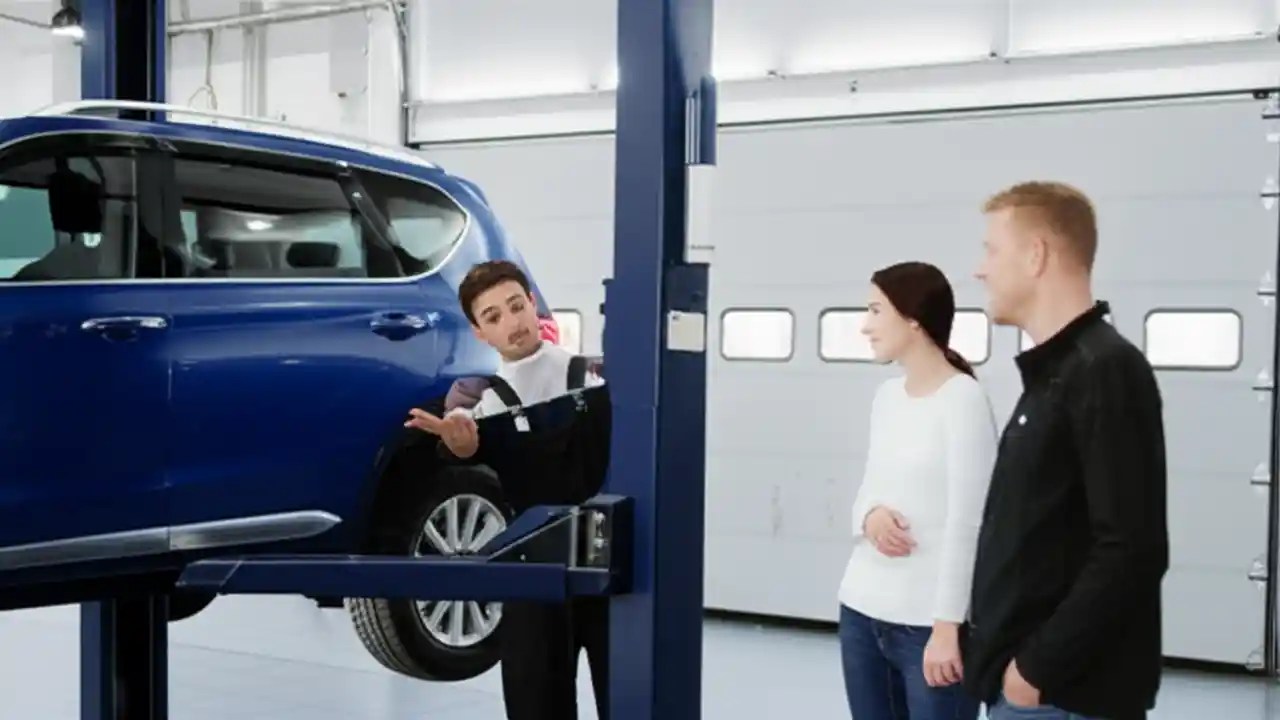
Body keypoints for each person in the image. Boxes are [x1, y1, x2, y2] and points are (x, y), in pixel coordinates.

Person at [964, 182, 1169, 720]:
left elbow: (1131, 548)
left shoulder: (1104, 370)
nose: (980, 270)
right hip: (1034, 694)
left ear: (1036, 255)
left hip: (1064, 699)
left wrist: (1033, 672)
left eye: (991, 251)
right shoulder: (1055, 375)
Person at [404, 259, 609, 720]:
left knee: (630, 696)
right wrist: (460, 443)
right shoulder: (482, 399)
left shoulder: (591, 376)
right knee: (535, 703)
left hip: (608, 565)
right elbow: (463, 437)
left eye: (516, 306)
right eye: (493, 316)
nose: (511, 322)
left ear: (533, 305)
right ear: (479, 332)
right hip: (532, 571)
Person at [838, 261, 998, 720]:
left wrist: (948, 628)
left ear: (912, 319)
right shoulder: (886, 397)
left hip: (928, 628)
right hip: (861, 612)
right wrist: (870, 516)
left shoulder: (963, 399)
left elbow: (972, 522)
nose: (865, 326)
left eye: (875, 311)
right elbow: (867, 491)